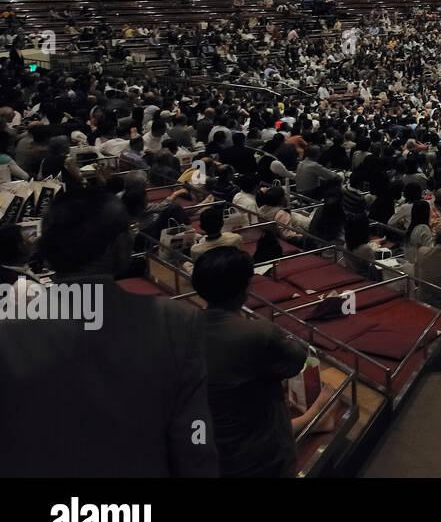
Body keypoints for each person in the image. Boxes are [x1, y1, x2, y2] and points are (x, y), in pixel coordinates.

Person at [0, 187, 219, 476]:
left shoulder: (7, 336)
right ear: (121, 246)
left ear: (46, 254)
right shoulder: (177, 322)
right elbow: (195, 438)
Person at [193, 246, 333, 478]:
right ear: (244, 289)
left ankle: (313, 417)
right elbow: (296, 361)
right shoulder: (258, 333)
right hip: (258, 457)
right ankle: (313, 416)